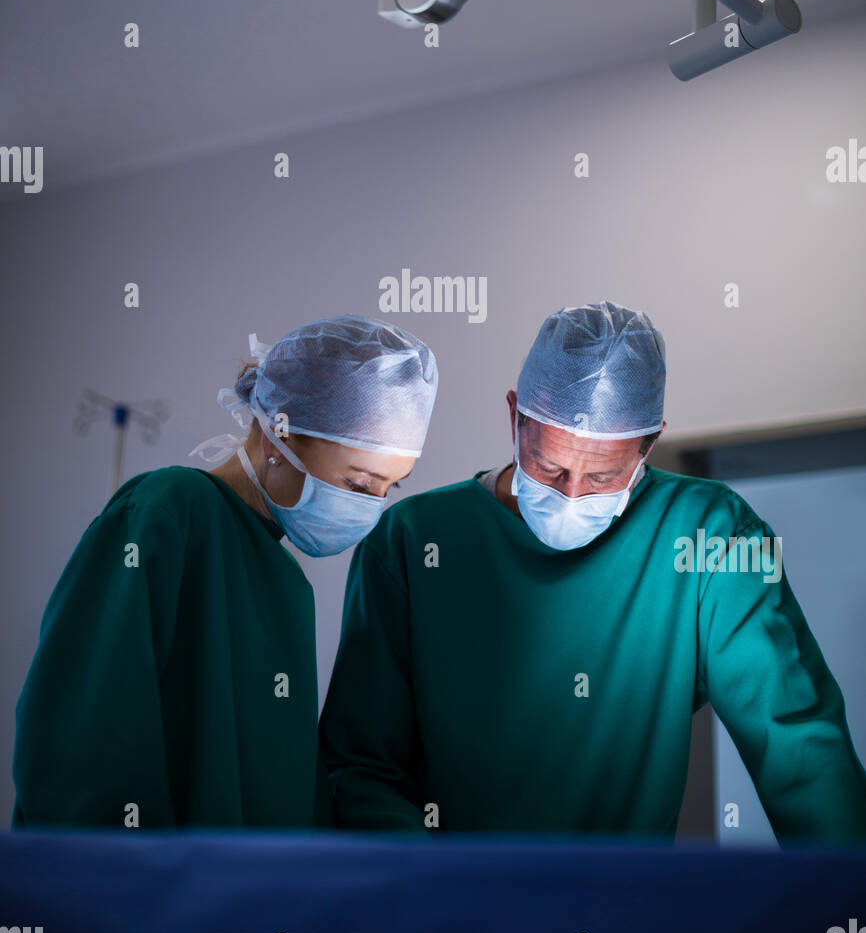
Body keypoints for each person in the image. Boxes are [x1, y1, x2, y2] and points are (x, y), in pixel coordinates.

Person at [320, 302, 866, 844]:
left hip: (625, 908)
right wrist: (436, 894)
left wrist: (844, 899)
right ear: (515, 417)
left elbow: (796, 739)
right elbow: (362, 766)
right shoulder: (413, 540)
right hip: (449, 910)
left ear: (649, 445)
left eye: (604, 476)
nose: (572, 494)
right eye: (549, 467)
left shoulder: (710, 535)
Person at [13, 315, 437, 830]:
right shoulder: (167, 512)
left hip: (245, 899)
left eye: (388, 488)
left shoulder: (285, 583)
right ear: (272, 437)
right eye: (358, 481)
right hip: (141, 894)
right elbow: (80, 730)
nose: (370, 509)